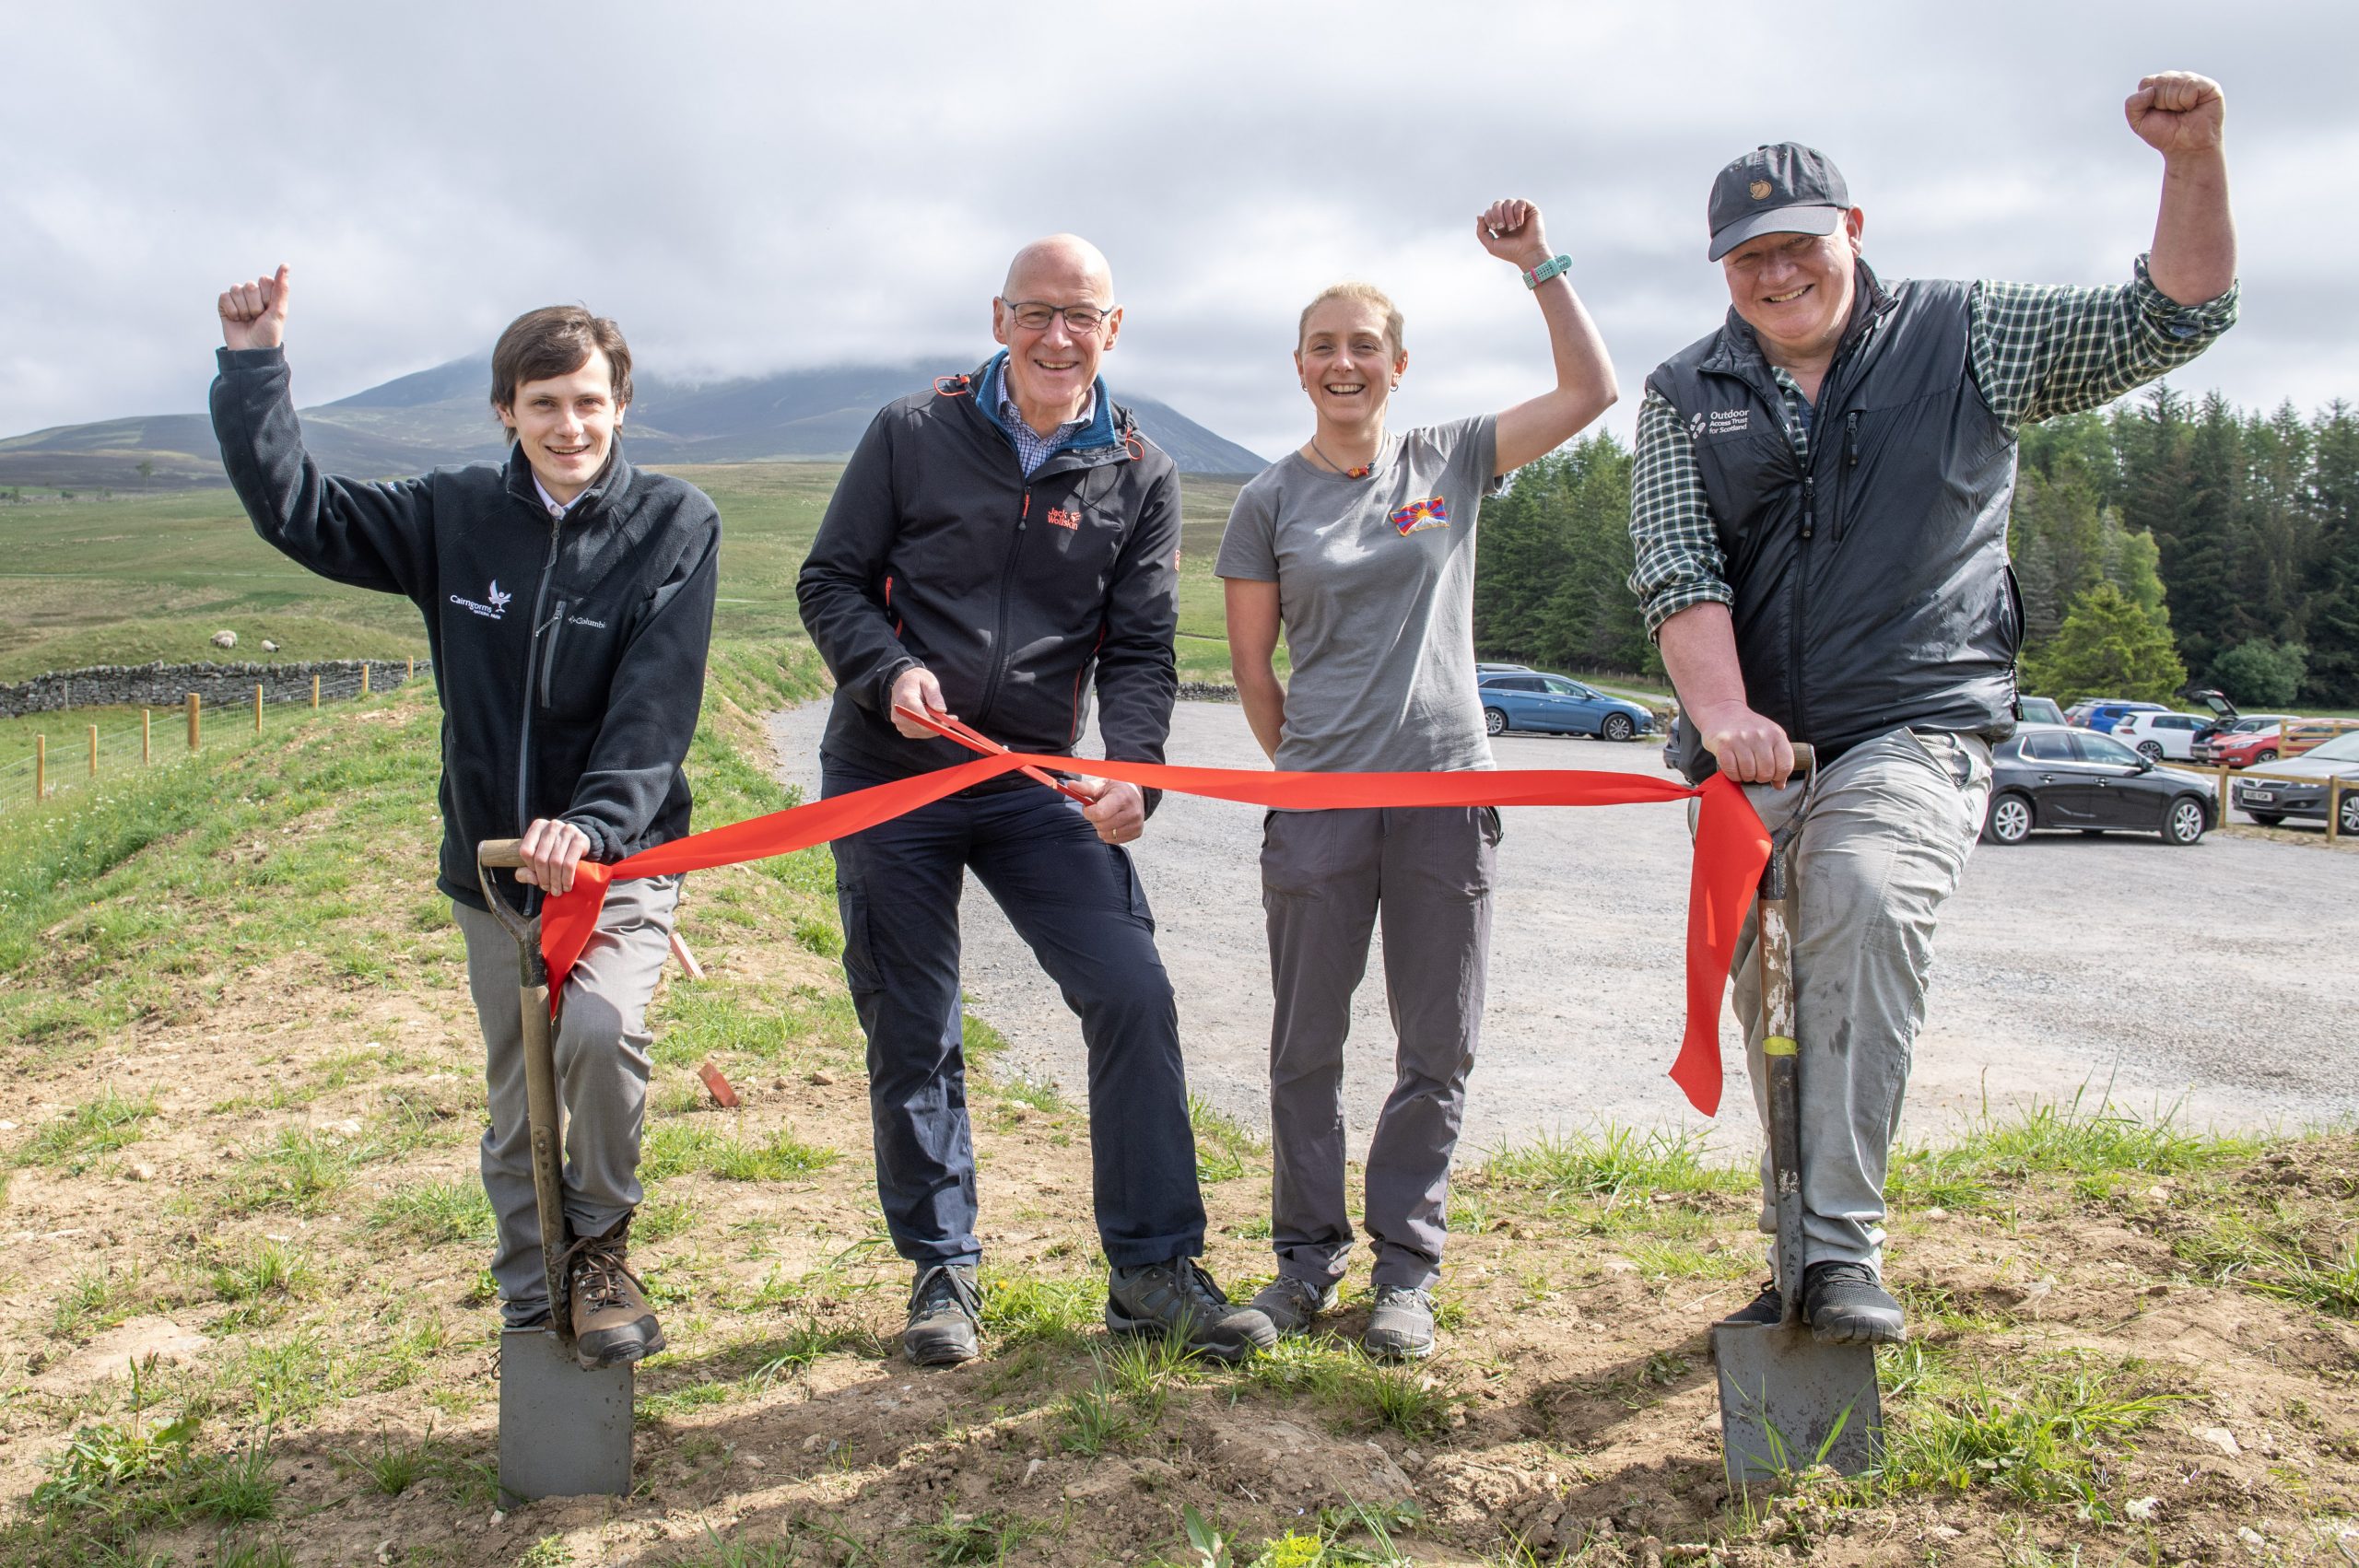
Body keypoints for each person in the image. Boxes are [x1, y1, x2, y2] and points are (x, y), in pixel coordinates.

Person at [1627, 73, 2237, 1342]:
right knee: (1772, 987)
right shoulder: (1686, 392)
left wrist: (2193, 162)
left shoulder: (1966, 334)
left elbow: (2170, 316)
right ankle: (1799, 1254)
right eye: (1747, 255)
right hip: (1750, 756)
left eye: (1799, 240)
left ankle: (1845, 1253)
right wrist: (1730, 722)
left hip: (1918, 724)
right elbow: (1679, 574)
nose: (1776, 271)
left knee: (1857, 888)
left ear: (1854, 225)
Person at [211, 269, 720, 1368]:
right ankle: (534, 1301)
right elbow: (301, 512)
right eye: (544, 403)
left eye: (588, 401)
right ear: (506, 410)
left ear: (620, 403)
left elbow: (656, 702)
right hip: (490, 871)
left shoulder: (676, 523)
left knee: (597, 1032)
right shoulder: (452, 516)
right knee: (518, 1099)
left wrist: (590, 825)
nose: (568, 424)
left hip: (619, 860)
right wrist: (254, 369)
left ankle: (602, 1248)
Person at [795, 235, 1275, 1367]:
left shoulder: (1142, 473)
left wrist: (1132, 769)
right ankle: (943, 1270)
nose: (1058, 335)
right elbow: (829, 581)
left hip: (1032, 782)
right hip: (889, 768)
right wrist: (884, 670)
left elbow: (1144, 648)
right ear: (1000, 315)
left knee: (1130, 989)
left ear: (1115, 329)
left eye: (1082, 316)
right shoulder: (910, 434)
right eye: (1037, 312)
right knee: (914, 1023)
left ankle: (1153, 1270)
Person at [1217, 200, 1618, 1357]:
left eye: (1363, 345)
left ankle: (1404, 1272)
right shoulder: (1266, 501)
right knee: (1304, 1046)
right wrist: (1313, 768)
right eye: (1323, 345)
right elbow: (1253, 675)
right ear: (1299, 366)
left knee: (1435, 1045)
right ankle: (1302, 1266)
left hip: (1450, 797)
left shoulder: (1450, 456)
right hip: (1319, 807)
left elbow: (1591, 394)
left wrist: (1539, 266)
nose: (1343, 363)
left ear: (1398, 364)